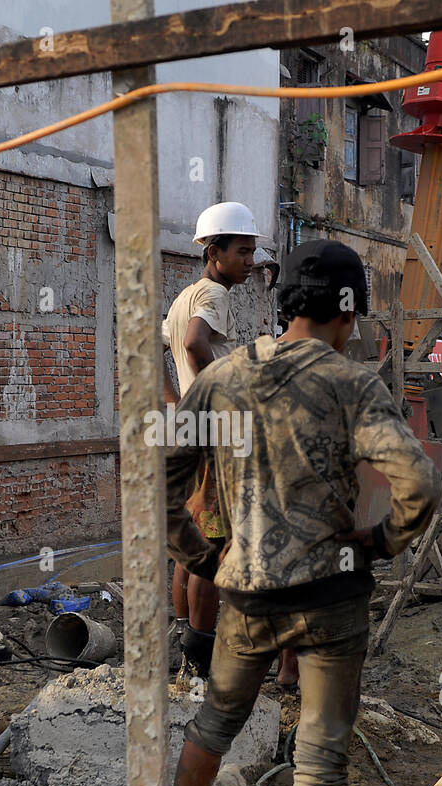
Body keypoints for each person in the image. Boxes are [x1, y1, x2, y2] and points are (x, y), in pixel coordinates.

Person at [165, 240, 441, 786]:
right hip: (332, 598)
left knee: (213, 724)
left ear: (285, 302)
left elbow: (163, 485)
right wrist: (381, 540)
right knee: (320, 760)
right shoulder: (352, 384)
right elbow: (421, 484)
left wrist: (205, 559)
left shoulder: (219, 380)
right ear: (347, 313)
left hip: (245, 595)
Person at [161, 201, 262, 681]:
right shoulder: (213, 296)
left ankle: (185, 638)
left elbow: (151, 348)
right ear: (214, 251)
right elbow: (193, 344)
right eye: (243, 251)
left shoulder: (183, 297)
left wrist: (175, 401)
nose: (250, 260)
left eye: (253, 251)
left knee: (193, 538)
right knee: (215, 543)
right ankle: (202, 661)